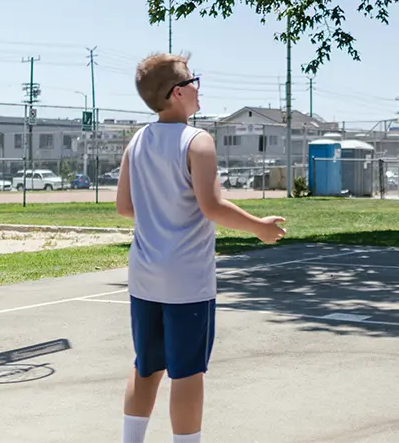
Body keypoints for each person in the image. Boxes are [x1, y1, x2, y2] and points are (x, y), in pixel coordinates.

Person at [116, 53, 288, 443]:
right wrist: (258, 227)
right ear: (178, 93)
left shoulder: (137, 141)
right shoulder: (198, 141)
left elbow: (125, 207)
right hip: (186, 281)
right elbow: (211, 206)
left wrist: (158, 212)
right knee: (188, 372)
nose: (198, 87)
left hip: (144, 275)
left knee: (146, 367)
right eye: (194, 80)